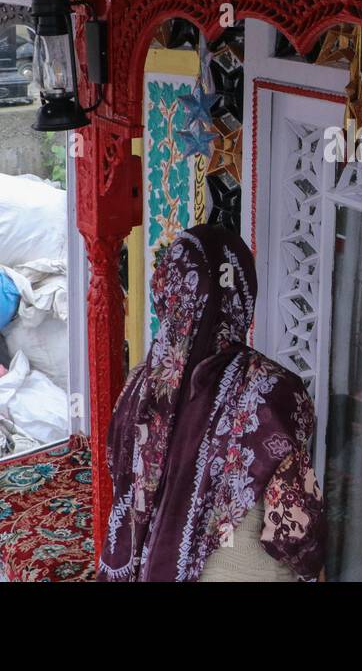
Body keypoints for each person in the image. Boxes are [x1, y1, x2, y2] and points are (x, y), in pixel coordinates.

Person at [99, 224, 326, 582]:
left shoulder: (139, 386)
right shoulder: (274, 392)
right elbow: (293, 533)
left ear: (167, 292)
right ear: (242, 294)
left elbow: (120, 477)